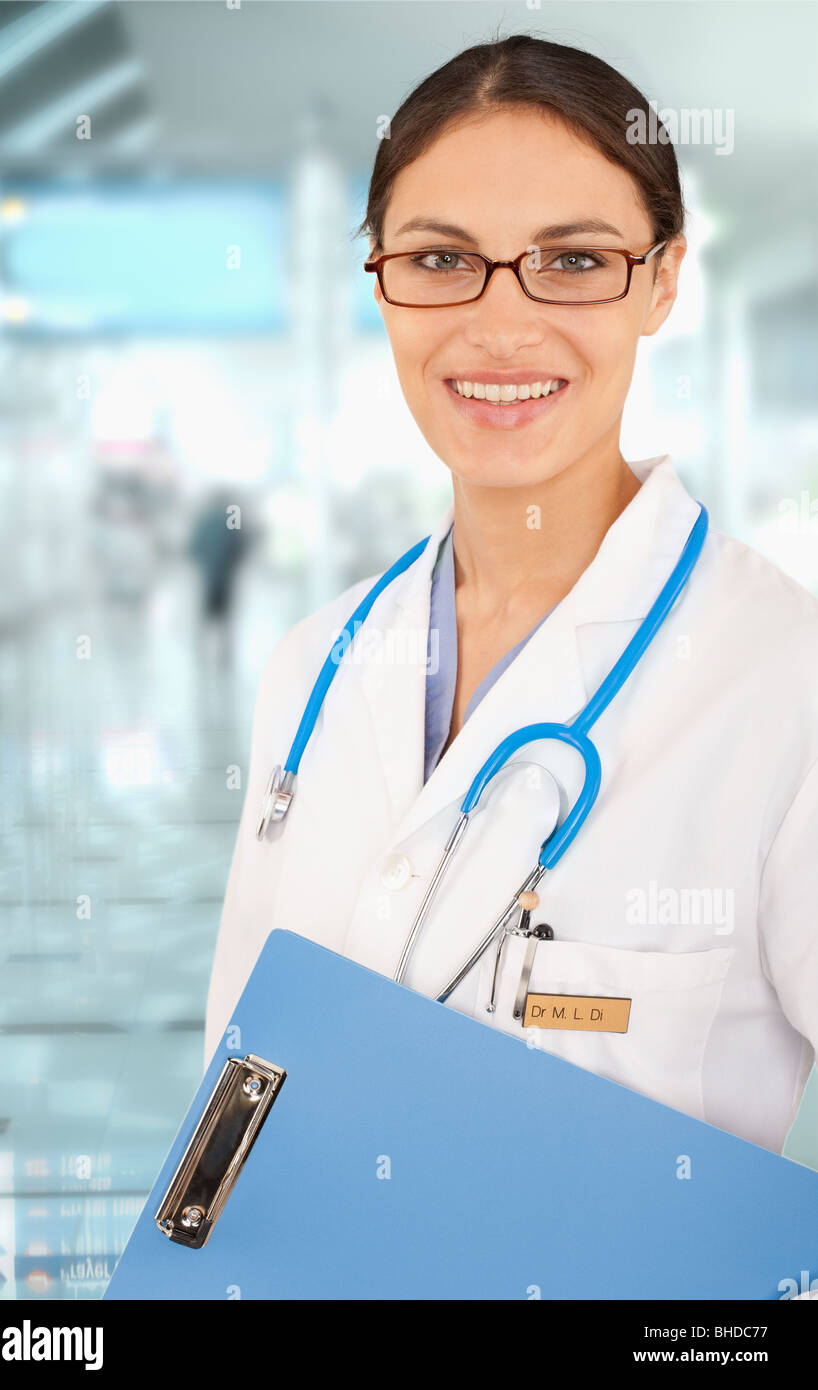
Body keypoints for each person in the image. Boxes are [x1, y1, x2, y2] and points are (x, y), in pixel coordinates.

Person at [204, 34, 818, 1163]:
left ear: (662, 279)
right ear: (379, 282)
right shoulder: (316, 663)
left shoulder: (784, 682)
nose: (497, 326)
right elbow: (237, 1100)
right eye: (439, 260)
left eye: (572, 259)